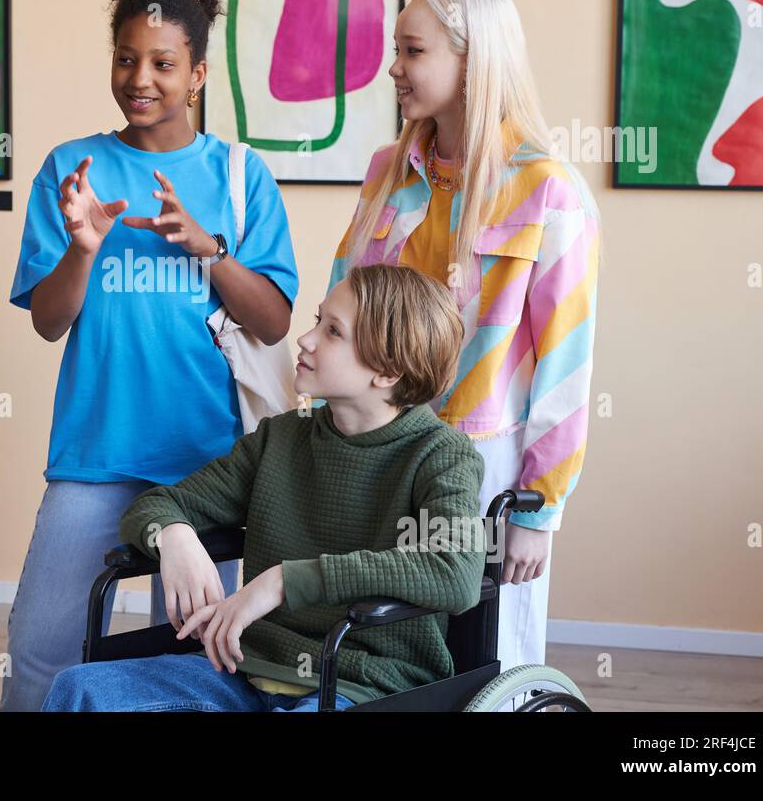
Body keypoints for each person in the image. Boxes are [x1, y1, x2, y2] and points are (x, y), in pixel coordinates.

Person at [0, 0, 299, 712]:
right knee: (41, 651)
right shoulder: (73, 167)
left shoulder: (240, 175)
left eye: (163, 63)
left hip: (210, 468)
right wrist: (82, 248)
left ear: (197, 74)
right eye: (127, 59)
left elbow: (272, 323)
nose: (141, 78)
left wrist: (210, 250)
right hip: (97, 454)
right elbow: (47, 321)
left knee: (206, 661)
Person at [43, 265, 486, 711]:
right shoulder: (281, 439)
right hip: (246, 668)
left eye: (333, 331)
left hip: (361, 683)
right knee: (78, 690)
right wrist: (174, 535)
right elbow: (158, 504)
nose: (305, 339)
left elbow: (456, 571)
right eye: (317, 320)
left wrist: (283, 581)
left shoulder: (440, 454)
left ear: (388, 370)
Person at [329, 0, 603, 671]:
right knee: (381, 653)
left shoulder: (549, 190)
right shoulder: (386, 172)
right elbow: (344, 303)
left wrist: (536, 512)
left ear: (473, 61)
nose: (393, 66)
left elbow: (566, 365)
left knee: (487, 661)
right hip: (374, 451)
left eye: (412, 50)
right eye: (396, 49)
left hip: (480, 468)